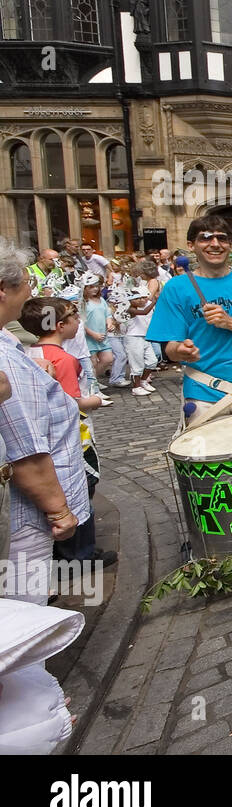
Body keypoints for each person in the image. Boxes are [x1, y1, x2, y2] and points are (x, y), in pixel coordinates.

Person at [0, 240, 88, 604]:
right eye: (25, 282)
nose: (31, 289)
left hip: (24, 513)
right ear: (3, 290)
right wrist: (59, 510)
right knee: (23, 613)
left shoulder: (7, 340)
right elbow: (24, 448)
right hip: (25, 516)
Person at [146, 216, 232, 425]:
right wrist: (181, 350)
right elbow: (170, 348)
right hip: (203, 391)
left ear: (231, 245)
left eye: (222, 238)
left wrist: (231, 323)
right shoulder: (176, 288)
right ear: (191, 245)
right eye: (205, 238)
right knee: (208, 457)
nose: (215, 244)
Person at [18, 297, 111, 567]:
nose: (78, 321)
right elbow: (70, 402)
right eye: (73, 316)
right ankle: (80, 552)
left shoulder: (32, 353)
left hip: (48, 437)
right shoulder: (65, 359)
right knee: (82, 488)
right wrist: (93, 402)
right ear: (60, 325)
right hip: (74, 437)